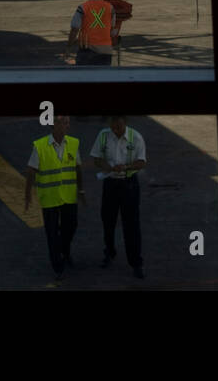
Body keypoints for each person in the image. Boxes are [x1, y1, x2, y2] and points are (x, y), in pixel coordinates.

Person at [23, 114, 86, 282]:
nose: (67, 125)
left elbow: (78, 168)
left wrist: (81, 191)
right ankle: (58, 266)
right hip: (49, 197)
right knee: (51, 233)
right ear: (53, 126)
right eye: (63, 122)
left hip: (68, 196)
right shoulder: (40, 145)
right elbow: (31, 171)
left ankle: (64, 250)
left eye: (68, 122)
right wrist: (28, 193)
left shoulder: (73, 143)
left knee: (71, 226)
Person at [91, 115, 146, 279]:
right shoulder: (103, 136)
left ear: (126, 123)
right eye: (113, 127)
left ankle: (136, 262)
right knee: (108, 220)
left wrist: (126, 166)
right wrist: (107, 166)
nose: (115, 130)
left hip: (129, 184)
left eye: (119, 127)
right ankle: (109, 252)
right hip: (110, 183)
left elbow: (142, 162)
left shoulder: (135, 137)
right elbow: (96, 158)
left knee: (131, 224)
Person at [66, 0, 119, 65]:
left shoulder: (82, 8)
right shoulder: (110, 7)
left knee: (83, 75)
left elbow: (74, 29)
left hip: (87, 49)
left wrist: (69, 47)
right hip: (105, 49)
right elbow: (112, 28)